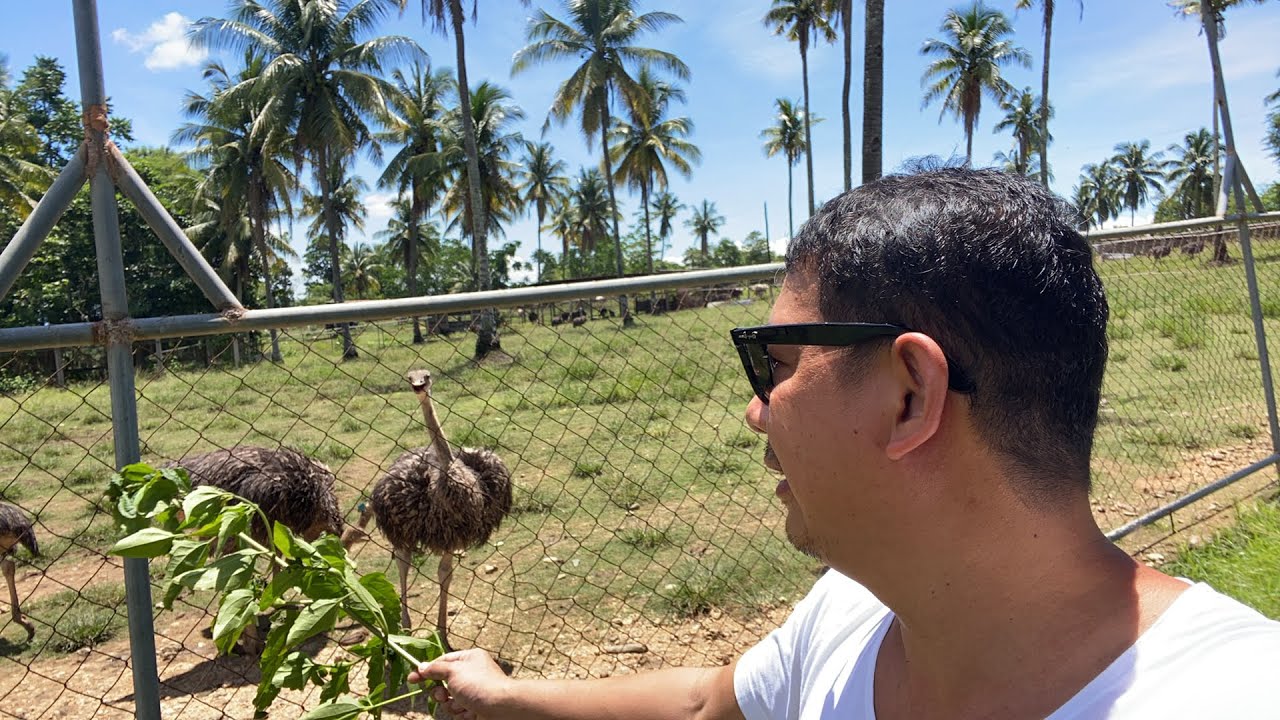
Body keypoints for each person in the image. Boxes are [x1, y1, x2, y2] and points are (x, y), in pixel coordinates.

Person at [409, 168, 1280, 719]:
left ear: (910, 397)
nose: (758, 411)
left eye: (776, 364)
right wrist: (508, 693)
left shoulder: (1235, 695)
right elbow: (707, 702)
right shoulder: (853, 615)